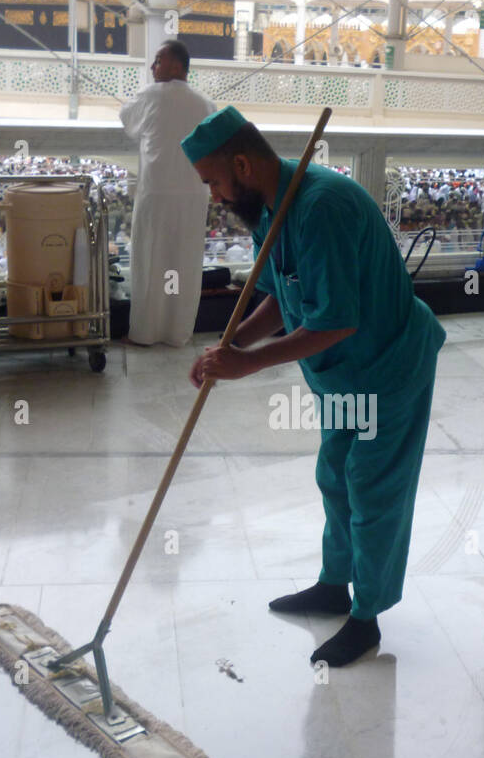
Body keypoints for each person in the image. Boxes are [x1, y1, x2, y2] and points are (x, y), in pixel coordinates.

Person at [181, 107, 447, 668]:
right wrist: (229, 349)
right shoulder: (267, 210)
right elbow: (281, 295)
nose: (214, 195)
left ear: (240, 163)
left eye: (213, 182)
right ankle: (334, 585)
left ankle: (367, 617)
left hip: (388, 366)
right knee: (335, 475)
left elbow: (334, 321)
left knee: (372, 489)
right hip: (342, 372)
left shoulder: (321, 206)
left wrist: (246, 365)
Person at [118, 39, 216, 346]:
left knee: (152, 260)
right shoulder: (206, 103)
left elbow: (127, 120)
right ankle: (177, 333)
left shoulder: (150, 95)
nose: (152, 66)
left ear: (176, 66)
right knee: (182, 263)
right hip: (192, 197)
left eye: (158, 60)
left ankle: (147, 331)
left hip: (157, 194)